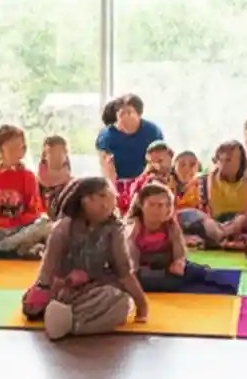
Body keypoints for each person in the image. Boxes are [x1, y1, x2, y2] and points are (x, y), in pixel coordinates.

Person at [22, 177, 149, 341]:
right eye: (101, 196)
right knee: (34, 305)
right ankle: (63, 315)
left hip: (95, 289)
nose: (108, 202)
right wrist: (44, 291)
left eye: (108, 196)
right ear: (85, 200)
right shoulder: (63, 228)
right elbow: (48, 269)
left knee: (120, 301)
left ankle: (72, 323)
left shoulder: (114, 230)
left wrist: (141, 304)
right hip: (62, 288)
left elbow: (123, 271)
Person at [125, 182, 235, 293]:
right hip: (144, 268)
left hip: (167, 265)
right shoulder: (135, 226)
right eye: (151, 205)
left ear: (168, 208)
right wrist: (133, 270)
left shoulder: (171, 225)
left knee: (204, 274)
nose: (155, 210)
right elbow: (130, 252)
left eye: (160, 205)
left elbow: (179, 247)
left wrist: (179, 261)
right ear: (142, 206)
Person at [0, 125, 52, 257]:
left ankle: (2, 248)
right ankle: (16, 248)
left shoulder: (28, 176)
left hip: (20, 229)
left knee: (46, 224)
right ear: (0, 149)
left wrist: (14, 224)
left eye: (21, 147)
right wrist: (2, 224)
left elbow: (34, 212)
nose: (19, 152)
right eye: (13, 147)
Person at [191, 140, 247, 248]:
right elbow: (204, 209)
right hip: (215, 222)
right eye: (220, 160)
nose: (223, 164)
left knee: (246, 219)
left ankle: (222, 239)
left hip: (240, 222)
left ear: (240, 161)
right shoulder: (206, 179)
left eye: (229, 160)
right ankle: (224, 239)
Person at [95, 93, 164, 185]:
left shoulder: (152, 131)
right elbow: (108, 169)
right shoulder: (107, 136)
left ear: (139, 114)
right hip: (118, 183)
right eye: (122, 113)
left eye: (129, 112)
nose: (125, 117)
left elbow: (158, 161)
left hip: (147, 181)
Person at [38, 135, 73, 209]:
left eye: (60, 152)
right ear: (44, 155)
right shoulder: (33, 183)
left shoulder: (73, 185)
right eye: (52, 153)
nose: (57, 157)